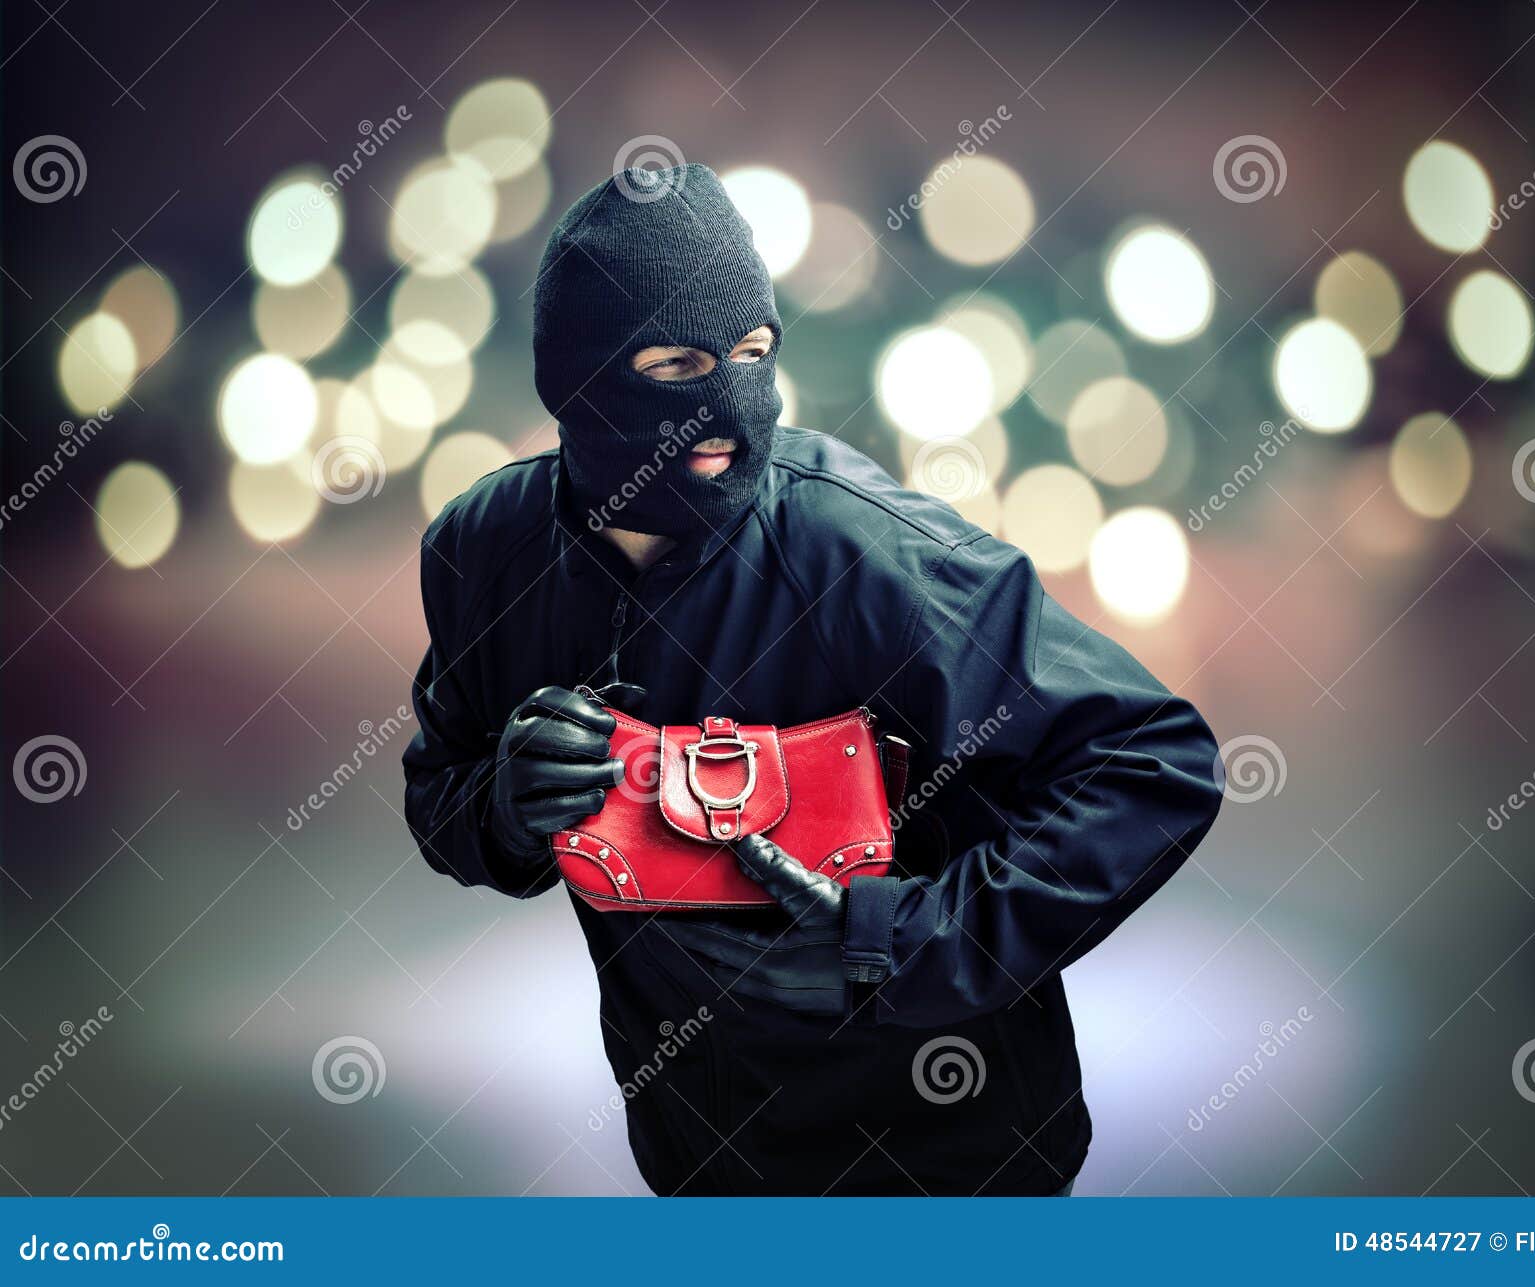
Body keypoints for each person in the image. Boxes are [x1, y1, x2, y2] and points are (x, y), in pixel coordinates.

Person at [401, 163, 1224, 1196]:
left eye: (754, 355)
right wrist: (503, 812)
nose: (730, 402)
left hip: (959, 1170)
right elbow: (439, 792)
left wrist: (908, 937)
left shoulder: (873, 560)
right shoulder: (487, 555)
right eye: (675, 362)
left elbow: (1152, 763)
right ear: (575, 376)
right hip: (701, 1163)